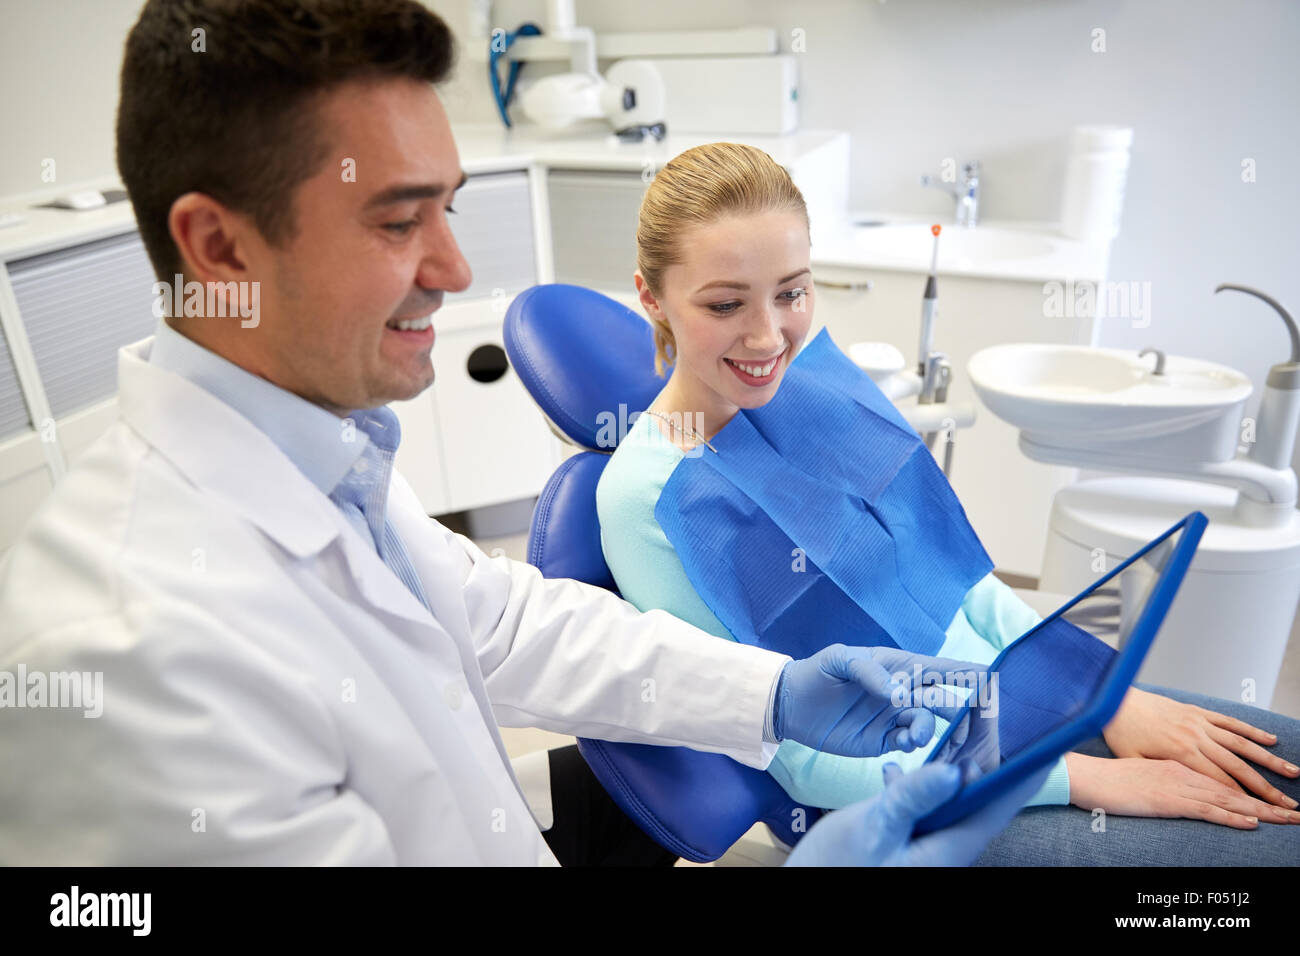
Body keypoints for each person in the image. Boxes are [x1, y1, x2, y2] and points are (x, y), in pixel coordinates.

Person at [0, 0, 1031, 868]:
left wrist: (777, 692)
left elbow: (500, 623)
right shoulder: (137, 659)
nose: (453, 270)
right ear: (218, 247)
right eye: (401, 222)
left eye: (447, 208)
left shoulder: (320, 454)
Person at [596, 140, 1300, 865]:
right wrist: (1078, 776)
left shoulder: (813, 391)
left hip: (1024, 707)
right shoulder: (646, 498)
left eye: (792, 291)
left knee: (1286, 759)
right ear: (651, 296)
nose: (769, 335)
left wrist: (1099, 694)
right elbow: (798, 756)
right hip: (910, 796)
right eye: (724, 303)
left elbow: (961, 588)